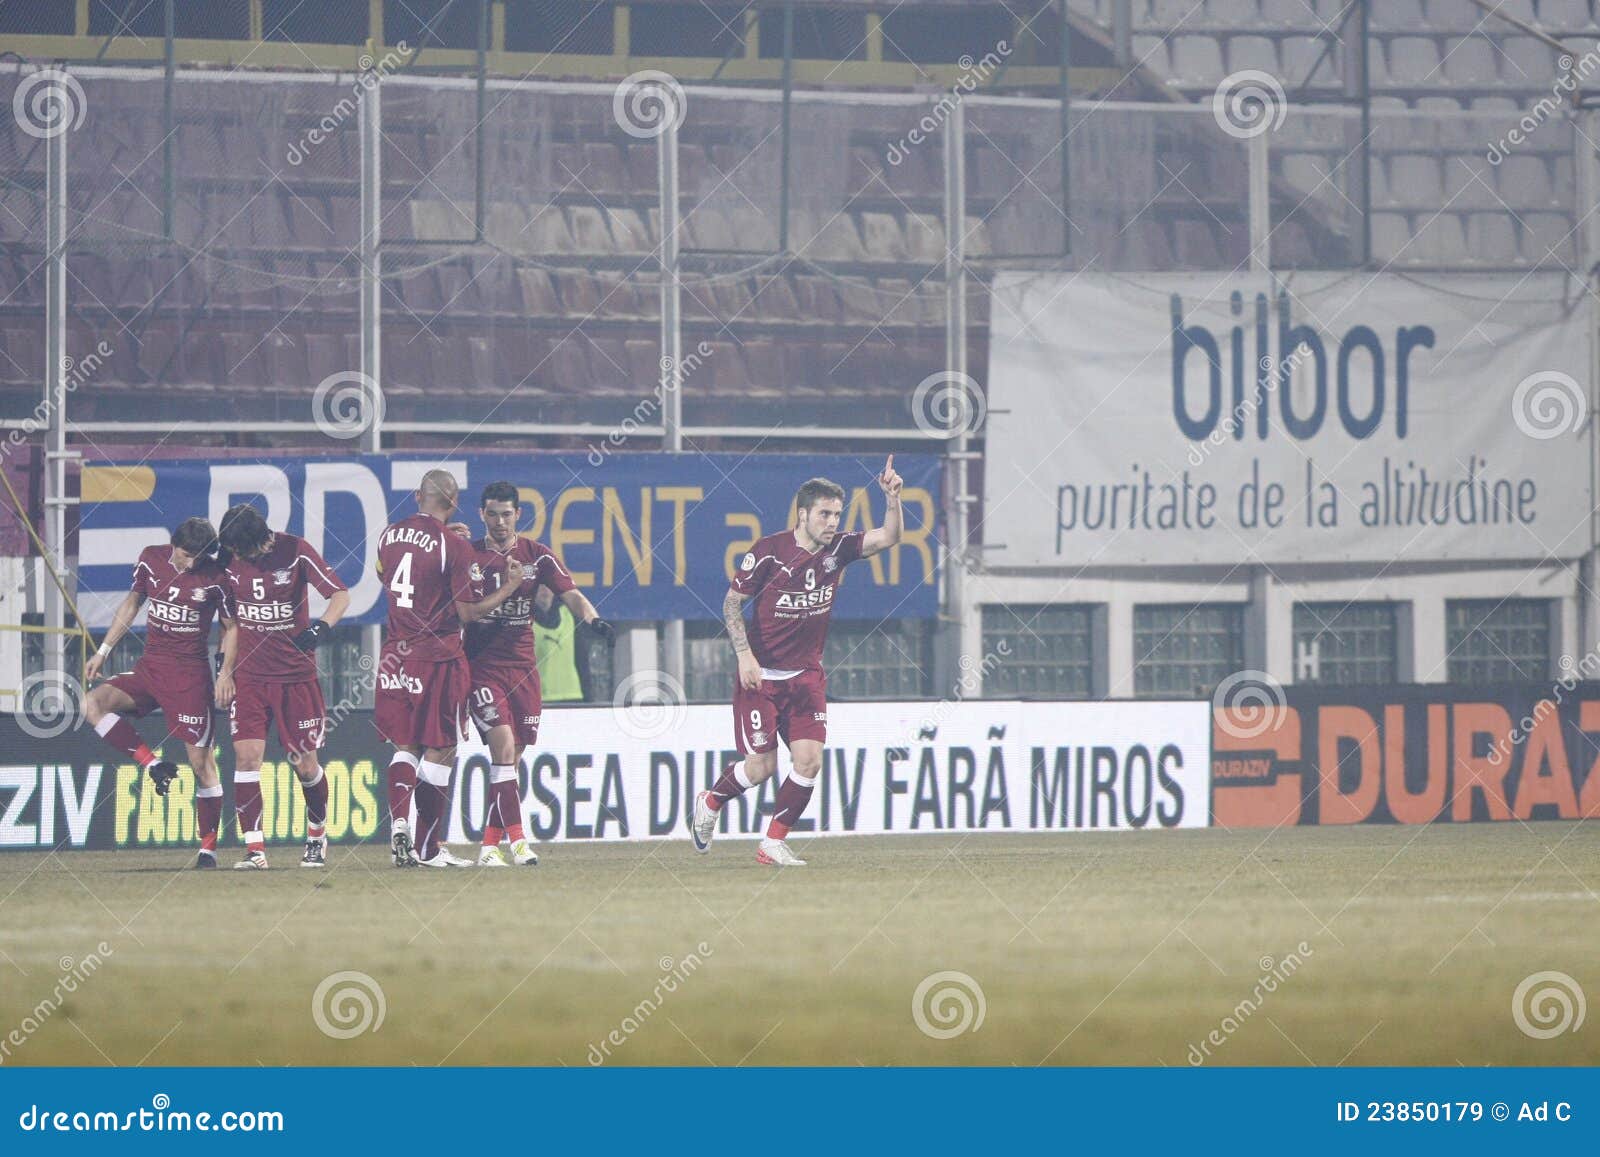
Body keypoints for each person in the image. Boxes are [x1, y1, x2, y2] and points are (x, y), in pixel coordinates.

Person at [691, 458, 902, 866]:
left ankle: (772, 843)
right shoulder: (768, 552)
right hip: (761, 678)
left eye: (837, 514)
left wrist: (892, 499)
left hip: (806, 678)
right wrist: (744, 656)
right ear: (802, 514)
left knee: (809, 761)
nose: (832, 522)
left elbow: (890, 537)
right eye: (824, 514)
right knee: (761, 768)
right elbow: (732, 603)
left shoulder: (839, 549)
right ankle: (711, 800)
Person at [375, 470, 529, 868]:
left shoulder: (389, 535)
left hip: (394, 653)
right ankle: (428, 848)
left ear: (418, 496)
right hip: (437, 656)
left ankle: (399, 823)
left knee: (405, 745)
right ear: (455, 504)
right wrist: (510, 586)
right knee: (441, 747)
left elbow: (384, 574)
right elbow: (468, 613)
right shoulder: (454, 546)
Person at [455, 481, 611, 867]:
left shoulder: (537, 556)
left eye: (507, 514)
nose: (500, 522)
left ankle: (489, 847)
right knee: (504, 748)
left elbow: (570, 594)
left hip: (524, 671)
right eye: (493, 514)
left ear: (518, 515)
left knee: (511, 761)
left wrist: (594, 620)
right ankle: (520, 842)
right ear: (481, 514)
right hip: (483, 669)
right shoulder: (469, 556)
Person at [83, 518, 234, 869]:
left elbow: (232, 627)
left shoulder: (217, 577)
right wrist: (102, 651)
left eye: (198, 557)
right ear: (173, 545)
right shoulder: (151, 559)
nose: (191, 563)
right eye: (186, 555)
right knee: (92, 704)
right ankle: (153, 765)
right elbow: (131, 605)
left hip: (190, 678)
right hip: (150, 669)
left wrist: (224, 671)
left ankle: (208, 850)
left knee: (202, 764)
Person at [217, 503, 350, 870]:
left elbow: (340, 594)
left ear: (258, 540)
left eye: (241, 548)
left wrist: (321, 626)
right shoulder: (229, 561)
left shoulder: (295, 550)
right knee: (246, 759)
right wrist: (225, 672)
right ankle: (255, 851)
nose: (237, 554)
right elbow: (233, 625)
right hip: (250, 679)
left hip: (295, 679)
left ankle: (317, 835)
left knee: (306, 767)